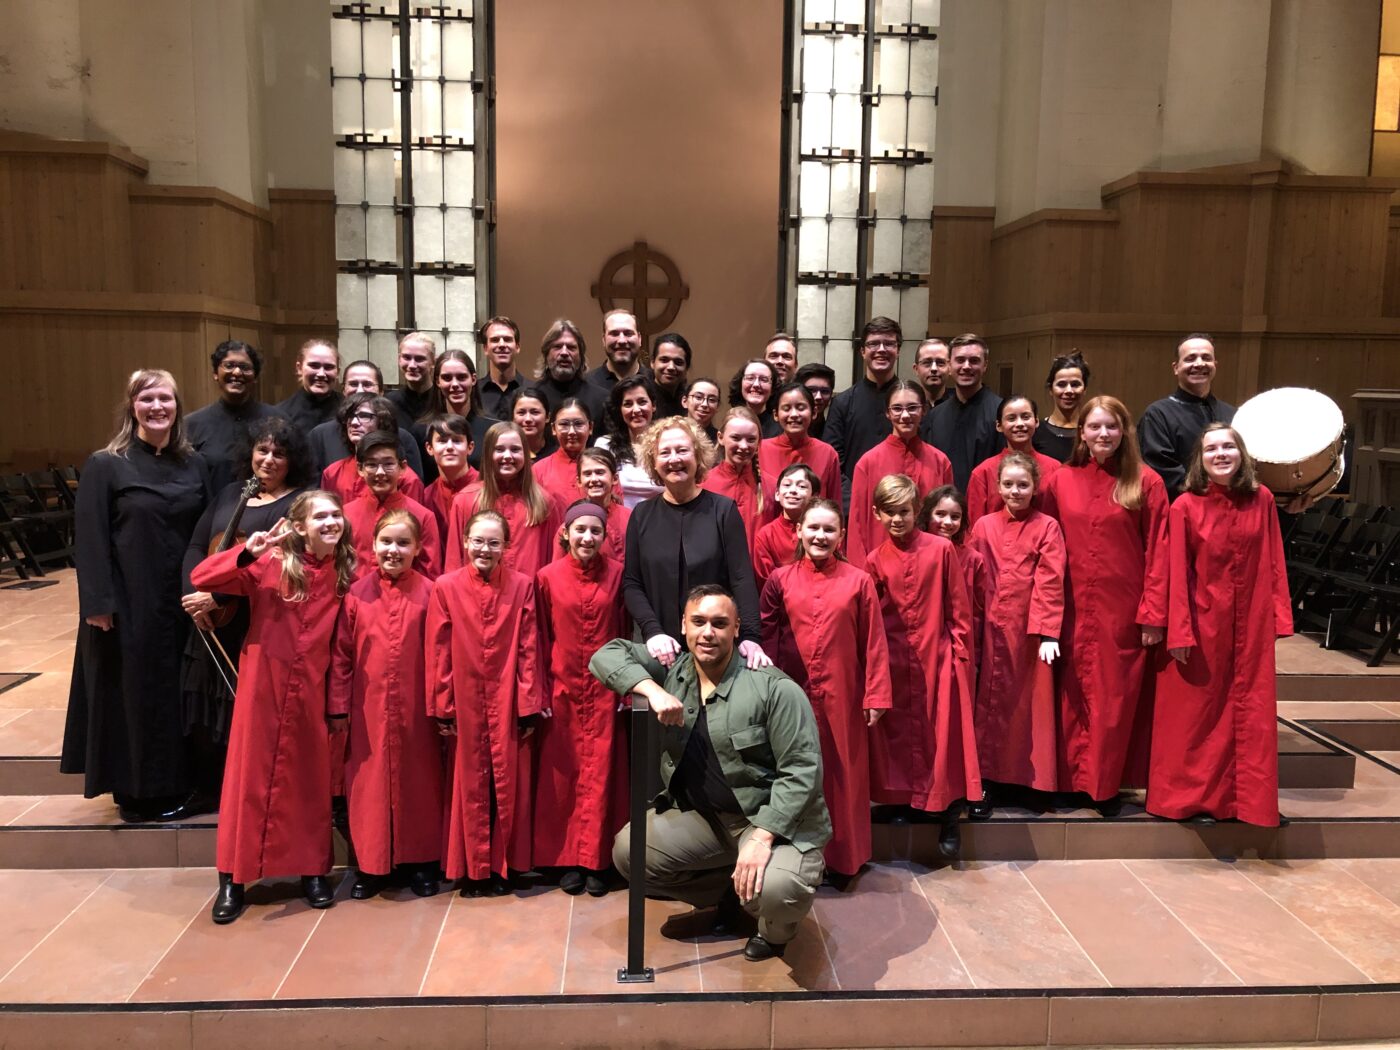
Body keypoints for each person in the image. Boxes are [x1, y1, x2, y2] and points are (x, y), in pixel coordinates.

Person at [593, 585, 829, 962]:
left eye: (720, 624)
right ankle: (730, 894)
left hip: (767, 822)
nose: (708, 633)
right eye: (699, 622)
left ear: (737, 629)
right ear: (683, 626)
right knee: (630, 852)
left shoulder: (774, 688)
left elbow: (802, 772)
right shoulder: (673, 668)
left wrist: (763, 838)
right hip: (706, 820)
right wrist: (651, 690)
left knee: (780, 891)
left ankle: (773, 930)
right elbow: (607, 655)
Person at [192, 490, 355, 923]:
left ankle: (311, 870)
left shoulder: (344, 573)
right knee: (247, 779)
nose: (330, 522)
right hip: (262, 688)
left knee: (308, 781)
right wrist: (249, 550)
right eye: (320, 516)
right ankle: (232, 878)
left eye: (336, 515)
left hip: (310, 691)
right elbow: (204, 577)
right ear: (300, 526)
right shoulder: (269, 563)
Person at [63, 369, 212, 823]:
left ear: (177, 407)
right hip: (130, 601)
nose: (157, 407)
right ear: (132, 407)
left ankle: (177, 782)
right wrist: (98, 604)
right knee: (135, 693)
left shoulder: (194, 464)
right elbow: (89, 539)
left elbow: (208, 531)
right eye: (147, 399)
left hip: (182, 601)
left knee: (176, 692)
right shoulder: (107, 464)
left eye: (165, 398)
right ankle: (137, 790)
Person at [1147, 424, 1292, 827]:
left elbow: (1274, 557)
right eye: (1212, 449)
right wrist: (1178, 630)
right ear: (1200, 459)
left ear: (1242, 454)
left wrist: (1278, 616)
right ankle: (1190, 799)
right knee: (1198, 716)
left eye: (1229, 446)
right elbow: (1174, 571)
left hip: (1251, 624)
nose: (1221, 454)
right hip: (1202, 622)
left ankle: (1244, 802)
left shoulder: (1261, 499)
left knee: (1250, 712)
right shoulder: (1185, 506)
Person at [1040, 396, 1168, 815]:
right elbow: (1044, 542)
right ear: (1082, 433)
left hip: (1121, 611)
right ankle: (1068, 780)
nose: (1103, 435)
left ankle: (1104, 785)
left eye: (1111, 426)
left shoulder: (1146, 483)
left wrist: (1153, 613)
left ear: (1124, 431)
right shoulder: (1060, 481)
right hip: (1071, 606)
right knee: (1069, 692)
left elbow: (1159, 551)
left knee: (1114, 698)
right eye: (1094, 427)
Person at [179, 416, 313, 810]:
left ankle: (248, 794)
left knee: (246, 711)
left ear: (292, 461)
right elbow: (197, 546)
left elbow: (276, 565)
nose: (269, 459)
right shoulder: (230, 494)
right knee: (205, 708)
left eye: (280, 453)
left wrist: (218, 600)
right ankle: (209, 790)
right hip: (206, 619)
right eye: (263, 450)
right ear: (250, 453)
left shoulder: (297, 502)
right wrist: (193, 596)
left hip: (252, 619)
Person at [762, 499, 890, 881]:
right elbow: (766, 638)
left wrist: (876, 694)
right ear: (798, 531)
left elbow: (874, 641)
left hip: (843, 695)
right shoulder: (779, 579)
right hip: (791, 695)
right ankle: (792, 858)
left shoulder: (859, 581)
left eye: (829, 530)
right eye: (813, 528)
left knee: (843, 772)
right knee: (793, 770)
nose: (820, 535)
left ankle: (844, 859)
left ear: (841, 536)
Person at [328, 508, 443, 900]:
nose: (393, 550)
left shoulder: (431, 593)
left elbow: (443, 653)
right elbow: (342, 656)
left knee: (420, 782)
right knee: (369, 786)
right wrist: (339, 707)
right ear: (371, 546)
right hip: (367, 710)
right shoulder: (356, 594)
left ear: (417, 548)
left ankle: (422, 861)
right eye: (386, 542)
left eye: (403, 543)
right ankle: (372, 865)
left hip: (417, 710)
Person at [429, 509, 544, 895]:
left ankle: (500, 868)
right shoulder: (445, 586)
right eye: (478, 540)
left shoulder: (521, 584)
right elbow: (440, 649)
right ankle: (471, 870)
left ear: (506, 547)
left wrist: (528, 702)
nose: (485, 548)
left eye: (494, 542)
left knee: (504, 782)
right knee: (469, 781)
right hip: (464, 696)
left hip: (507, 697)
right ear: (465, 541)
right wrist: (443, 704)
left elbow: (528, 645)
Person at [865, 474, 978, 857]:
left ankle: (948, 813)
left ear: (917, 512)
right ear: (877, 514)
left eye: (905, 512)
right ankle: (905, 801)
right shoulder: (874, 560)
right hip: (895, 660)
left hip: (938, 657)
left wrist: (960, 657)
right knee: (899, 736)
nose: (898, 520)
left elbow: (959, 608)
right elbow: (872, 617)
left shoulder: (941, 549)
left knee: (941, 738)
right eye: (890, 513)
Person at [533, 501, 630, 896]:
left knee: (605, 773)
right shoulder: (546, 577)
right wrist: (539, 689)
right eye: (580, 530)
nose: (587, 537)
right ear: (565, 534)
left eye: (595, 531)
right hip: (564, 689)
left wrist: (627, 685)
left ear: (605, 536)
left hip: (606, 692)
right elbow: (539, 637)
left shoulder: (620, 576)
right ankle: (568, 859)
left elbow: (625, 632)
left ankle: (599, 861)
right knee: (565, 774)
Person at [623, 417, 766, 660]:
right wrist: (653, 632)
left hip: (715, 648)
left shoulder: (723, 510)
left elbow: (741, 578)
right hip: (662, 649)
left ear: (698, 456)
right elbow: (632, 583)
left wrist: (751, 637)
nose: (674, 459)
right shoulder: (641, 515)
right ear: (653, 462)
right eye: (664, 452)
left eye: (682, 450)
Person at [967, 452, 1066, 804]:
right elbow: (973, 577)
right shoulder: (983, 525)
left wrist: (1048, 630)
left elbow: (1050, 580)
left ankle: (1030, 783)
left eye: (1023, 485)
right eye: (1008, 485)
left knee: (1027, 705)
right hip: (990, 627)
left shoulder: (1047, 526)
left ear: (1035, 487)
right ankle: (986, 777)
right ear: (998, 487)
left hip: (1028, 631)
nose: (1015, 491)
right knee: (988, 704)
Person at [847, 380, 952, 566]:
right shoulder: (868, 463)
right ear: (887, 413)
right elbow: (857, 525)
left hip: (930, 565)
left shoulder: (940, 462)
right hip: (880, 565)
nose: (905, 415)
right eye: (897, 408)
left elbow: (948, 519)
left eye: (912, 408)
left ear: (924, 410)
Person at [445, 421, 563, 577]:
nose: (508, 456)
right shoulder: (465, 500)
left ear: (525, 454)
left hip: (527, 597)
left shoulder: (544, 503)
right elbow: (454, 562)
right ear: (487, 454)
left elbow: (553, 566)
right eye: (499, 449)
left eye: (515, 449)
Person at [1139, 335, 1236, 499]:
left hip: (1232, 509)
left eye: (1206, 358)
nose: (1199, 363)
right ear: (1176, 367)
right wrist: (1214, 494)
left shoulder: (1233, 414)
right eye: (1190, 358)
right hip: (1184, 511)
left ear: (1215, 365)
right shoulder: (1157, 414)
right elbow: (1164, 473)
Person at [185, 340, 283, 493]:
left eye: (245, 367)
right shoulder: (191, 425)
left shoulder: (278, 420)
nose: (237, 372)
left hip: (268, 512)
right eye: (229, 366)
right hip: (211, 513)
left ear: (255, 376)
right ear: (215, 374)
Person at [343, 430, 441, 580]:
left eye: (388, 464)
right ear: (360, 469)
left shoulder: (423, 516)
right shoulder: (346, 515)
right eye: (371, 464)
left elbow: (428, 576)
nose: (380, 472)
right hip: (356, 600)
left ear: (402, 468)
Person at [921, 485, 990, 692]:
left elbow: (977, 612)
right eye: (940, 514)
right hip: (923, 646)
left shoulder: (973, 560)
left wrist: (973, 655)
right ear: (927, 515)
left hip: (958, 649)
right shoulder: (916, 554)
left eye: (955, 516)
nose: (947, 523)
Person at [308, 361, 424, 478]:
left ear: (381, 392)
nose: (359, 390)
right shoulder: (320, 435)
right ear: (343, 391)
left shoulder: (403, 439)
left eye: (367, 384)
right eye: (353, 384)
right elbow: (311, 486)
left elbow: (413, 486)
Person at [824, 317, 902, 491]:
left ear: (898, 351)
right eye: (873, 344)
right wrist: (853, 502)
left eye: (889, 344)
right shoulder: (842, 403)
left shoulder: (910, 403)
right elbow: (833, 461)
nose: (881, 349)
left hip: (902, 505)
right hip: (853, 504)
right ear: (862, 351)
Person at [922, 333, 1004, 491]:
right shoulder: (935, 416)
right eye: (960, 360)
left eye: (974, 360)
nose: (966, 366)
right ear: (949, 365)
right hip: (942, 509)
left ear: (985, 365)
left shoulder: (1000, 413)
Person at [964, 396, 1060, 527]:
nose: (1020, 424)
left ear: (1036, 421)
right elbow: (973, 527)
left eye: (1026, 417)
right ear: (999, 425)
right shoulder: (983, 472)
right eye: (1011, 418)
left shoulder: (1055, 469)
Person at [319, 394, 426, 505]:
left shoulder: (406, 479)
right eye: (350, 416)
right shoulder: (332, 473)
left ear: (382, 421)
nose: (354, 423)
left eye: (364, 416)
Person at [758, 382, 842, 521]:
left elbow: (835, 505)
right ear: (776, 414)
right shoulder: (760, 450)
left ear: (814, 412)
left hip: (815, 537)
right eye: (786, 408)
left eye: (801, 408)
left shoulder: (827, 453)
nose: (794, 414)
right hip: (769, 536)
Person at [422, 349, 498, 473]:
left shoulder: (493, 429)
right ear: (437, 382)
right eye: (447, 378)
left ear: (473, 379)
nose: (455, 384)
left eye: (461, 377)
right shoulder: (422, 430)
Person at [596, 375, 665, 508]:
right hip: (617, 523)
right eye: (628, 404)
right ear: (620, 410)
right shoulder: (604, 446)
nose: (636, 410)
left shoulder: (667, 445)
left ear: (654, 405)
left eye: (642, 402)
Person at [702, 407, 764, 550]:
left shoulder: (771, 487)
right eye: (736, 438)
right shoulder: (703, 484)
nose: (743, 446)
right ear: (720, 437)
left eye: (751, 439)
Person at [532, 318, 610, 429]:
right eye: (557, 347)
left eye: (571, 347)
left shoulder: (602, 400)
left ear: (581, 356)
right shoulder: (531, 401)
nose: (564, 353)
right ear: (546, 355)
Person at [752, 463, 817, 593]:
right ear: (777, 494)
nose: (793, 490)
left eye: (802, 486)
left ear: (814, 497)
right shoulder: (766, 535)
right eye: (787, 485)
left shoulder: (820, 531)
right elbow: (766, 582)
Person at [420, 414, 479, 540]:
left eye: (457, 440)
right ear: (429, 448)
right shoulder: (426, 496)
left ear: (470, 447)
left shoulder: (488, 489)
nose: (450, 447)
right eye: (442, 441)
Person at [532, 398, 594, 506]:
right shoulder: (539, 470)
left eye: (578, 424)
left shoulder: (603, 468)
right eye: (564, 424)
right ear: (553, 428)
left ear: (590, 427)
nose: (571, 432)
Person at [276, 339, 342, 435]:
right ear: (299, 368)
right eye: (314, 366)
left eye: (328, 367)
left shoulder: (350, 411)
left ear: (338, 372)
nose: (321, 374)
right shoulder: (281, 414)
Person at [577, 447, 631, 563]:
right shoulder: (572, 523)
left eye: (600, 472)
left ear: (615, 478)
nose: (594, 479)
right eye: (587, 474)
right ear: (579, 481)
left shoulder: (631, 518)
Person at [1033, 354, 1089, 463]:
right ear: (1051, 389)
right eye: (1061, 384)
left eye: (1075, 384)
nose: (1068, 391)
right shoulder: (1035, 432)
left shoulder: (1091, 433)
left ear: (1085, 389)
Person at [385, 331, 437, 434]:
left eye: (419, 359)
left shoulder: (443, 401)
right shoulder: (388, 402)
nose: (412, 365)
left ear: (433, 362)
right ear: (399, 359)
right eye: (407, 358)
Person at [589, 309, 650, 389]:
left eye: (628, 333)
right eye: (614, 334)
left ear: (639, 339)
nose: (622, 341)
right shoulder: (586, 385)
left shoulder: (656, 383)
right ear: (604, 340)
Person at [478, 316, 525, 420]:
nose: (502, 344)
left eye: (507, 339)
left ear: (517, 347)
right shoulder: (473, 393)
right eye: (495, 340)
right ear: (485, 348)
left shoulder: (533, 390)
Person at [728, 359, 780, 438]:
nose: (756, 384)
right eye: (750, 378)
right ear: (740, 384)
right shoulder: (730, 422)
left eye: (764, 379)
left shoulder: (781, 428)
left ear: (772, 388)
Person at [508, 387, 556, 461]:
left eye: (535, 412)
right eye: (521, 412)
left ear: (547, 417)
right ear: (513, 418)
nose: (528, 419)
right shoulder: (504, 454)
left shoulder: (557, 454)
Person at [651, 332, 691, 418]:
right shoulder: (641, 398)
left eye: (678, 362)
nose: (671, 367)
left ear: (686, 368)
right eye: (664, 360)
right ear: (652, 362)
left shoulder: (690, 401)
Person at [794, 362, 836, 441]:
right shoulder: (784, 425)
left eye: (825, 391)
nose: (818, 397)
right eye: (811, 390)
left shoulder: (834, 430)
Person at [912, 338, 951, 408]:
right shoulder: (907, 407)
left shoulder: (961, 406)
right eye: (927, 363)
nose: (934, 368)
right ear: (916, 369)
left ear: (950, 368)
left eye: (940, 363)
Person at [682, 377, 723, 442]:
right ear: (685, 401)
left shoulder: (720, 439)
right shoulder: (670, 432)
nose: (705, 404)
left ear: (718, 406)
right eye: (698, 397)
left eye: (712, 400)